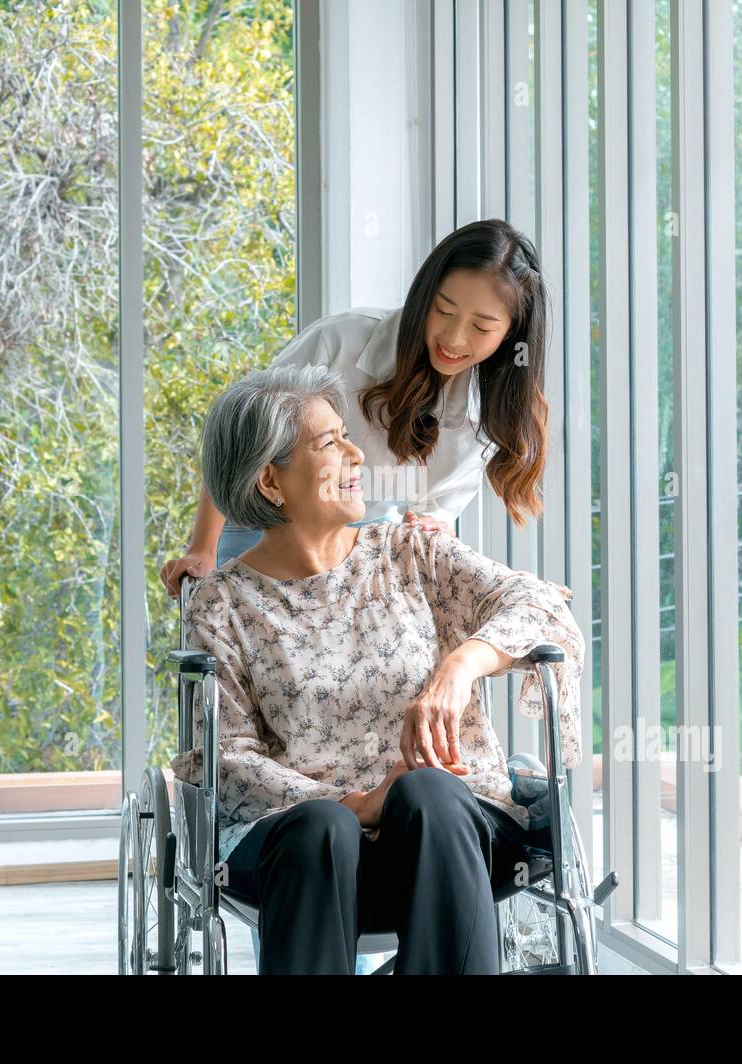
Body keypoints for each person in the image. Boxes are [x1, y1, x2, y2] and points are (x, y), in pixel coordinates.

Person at [168, 364, 585, 975]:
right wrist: (359, 803)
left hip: (451, 835)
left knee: (429, 791)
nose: (355, 453)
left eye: (346, 434)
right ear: (270, 481)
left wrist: (459, 668)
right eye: (328, 442)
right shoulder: (223, 604)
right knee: (319, 828)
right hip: (304, 852)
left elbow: (542, 605)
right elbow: (222, 761)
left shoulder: (411, 553)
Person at [159, 217, 552, 590]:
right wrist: (202, 548)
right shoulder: (342, 340)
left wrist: (434, 524)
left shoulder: (490, 411)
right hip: (269, 528)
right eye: (442, 309)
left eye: (481, 327)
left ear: (512, 332)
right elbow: (242, 436)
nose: (453, 338)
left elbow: (435, 509)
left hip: (364, 549)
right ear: (424, 295)